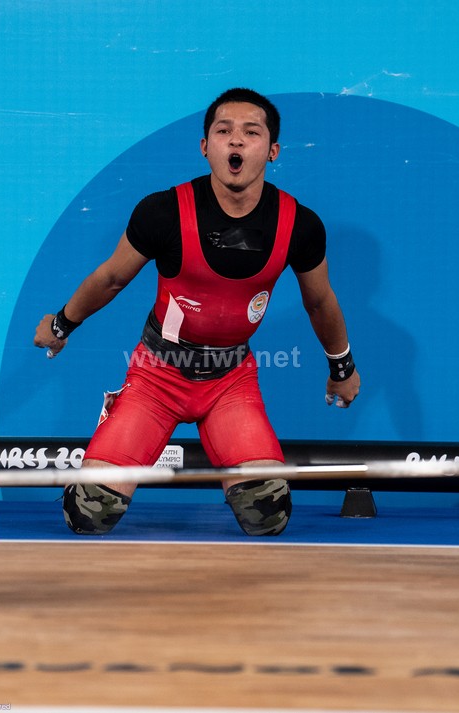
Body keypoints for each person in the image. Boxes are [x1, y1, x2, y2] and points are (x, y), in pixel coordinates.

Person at [33, 87, 360, 537]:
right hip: (156, 376)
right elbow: (111, 278)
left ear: (273, 150)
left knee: (267, 515)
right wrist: (59, 324)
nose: (237, 141)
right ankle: (108, 449)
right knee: (90, 513)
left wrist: (341, 366)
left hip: (230, 382)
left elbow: (320, 301)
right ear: (206, 147)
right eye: (223, 131)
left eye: (251, 132)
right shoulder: (162, 212)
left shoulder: (301, 225)